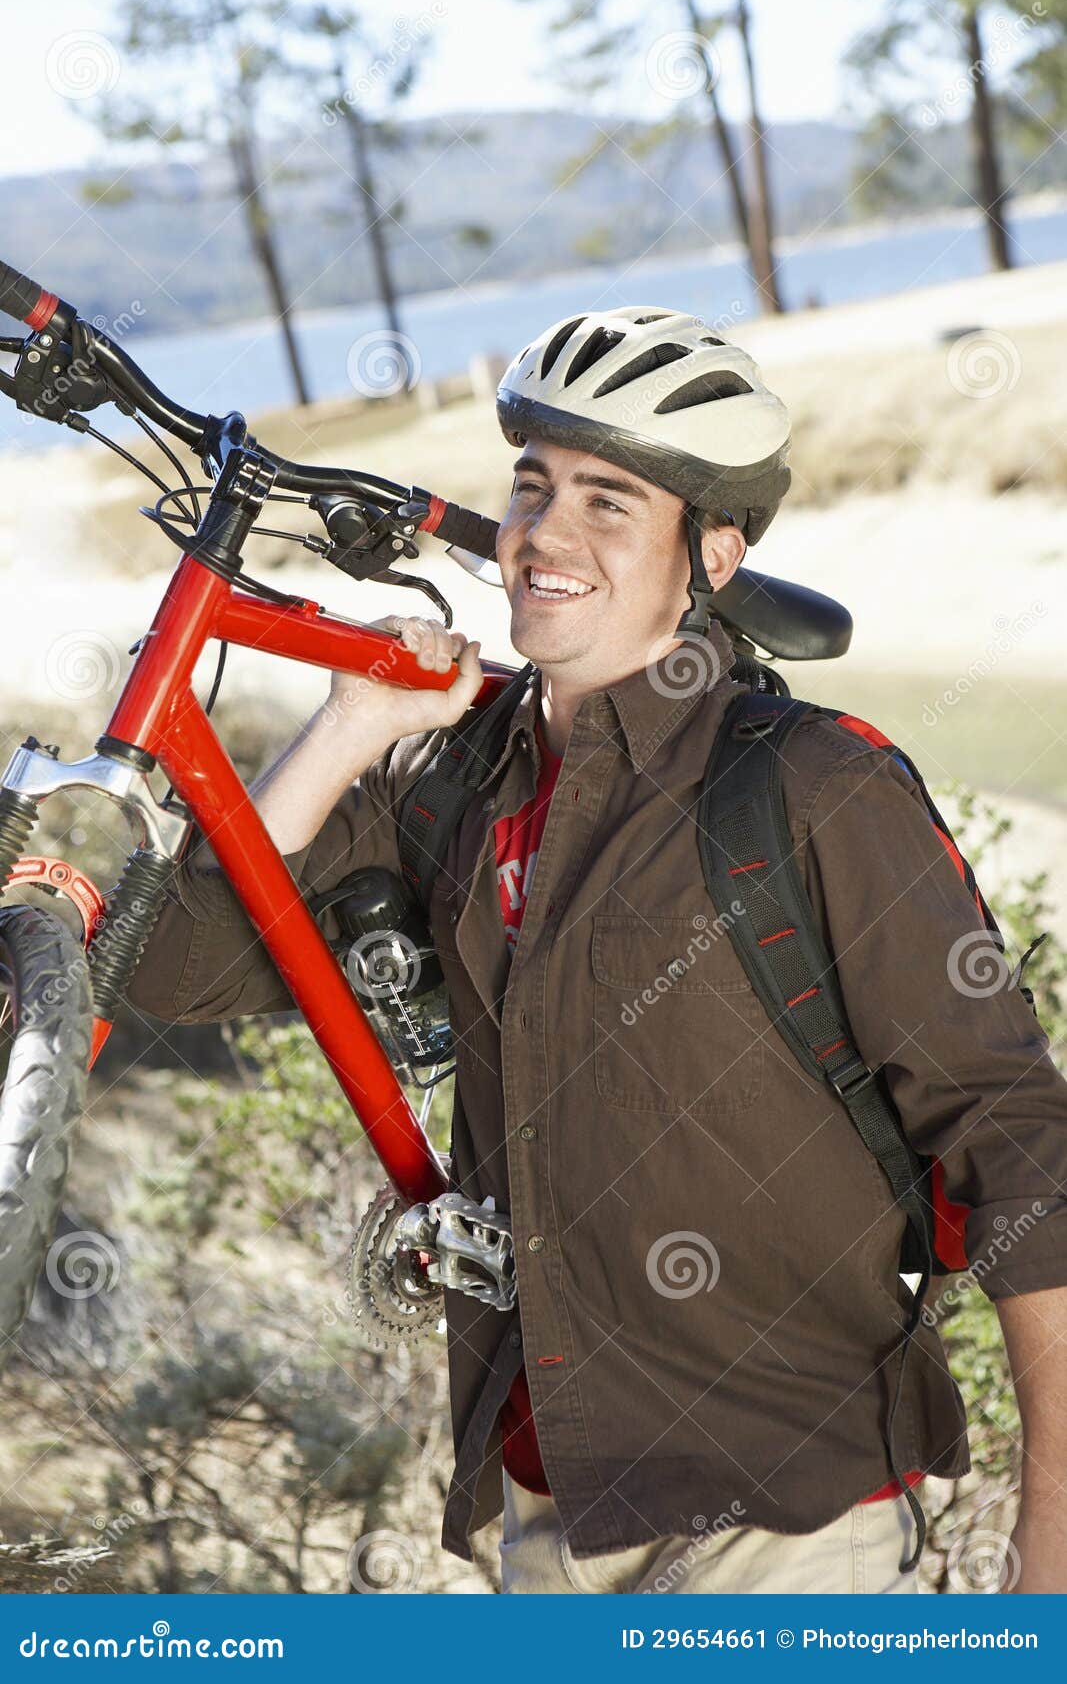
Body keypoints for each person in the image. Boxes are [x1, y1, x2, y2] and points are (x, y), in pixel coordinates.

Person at [129, 306, 1067, 1595]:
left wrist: (1056, 1541)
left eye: (608, 501)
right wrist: (349, 728)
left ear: (713, 554)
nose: (543, 536)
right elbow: (170, 973)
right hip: (543, 1510)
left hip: (791, 1526)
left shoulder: (811, 787)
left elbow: (1018, 1149)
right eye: (532, 487)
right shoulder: (446, 774)